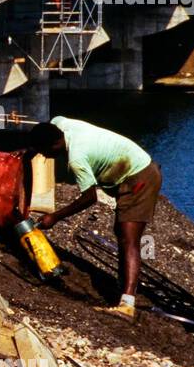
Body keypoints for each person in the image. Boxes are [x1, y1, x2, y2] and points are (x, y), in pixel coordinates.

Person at [27, 117, 162, 320]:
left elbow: (89, 198)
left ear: (55, 144)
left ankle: (127, 304)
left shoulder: (77, 159)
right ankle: (123, 284)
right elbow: (48, 128)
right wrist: (28, 151)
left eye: (45, 152)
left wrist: (55, 217)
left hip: (139, 178)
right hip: (132, 170)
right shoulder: (60, 123)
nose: (45, 156)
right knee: (121, 232)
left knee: (129, 239)